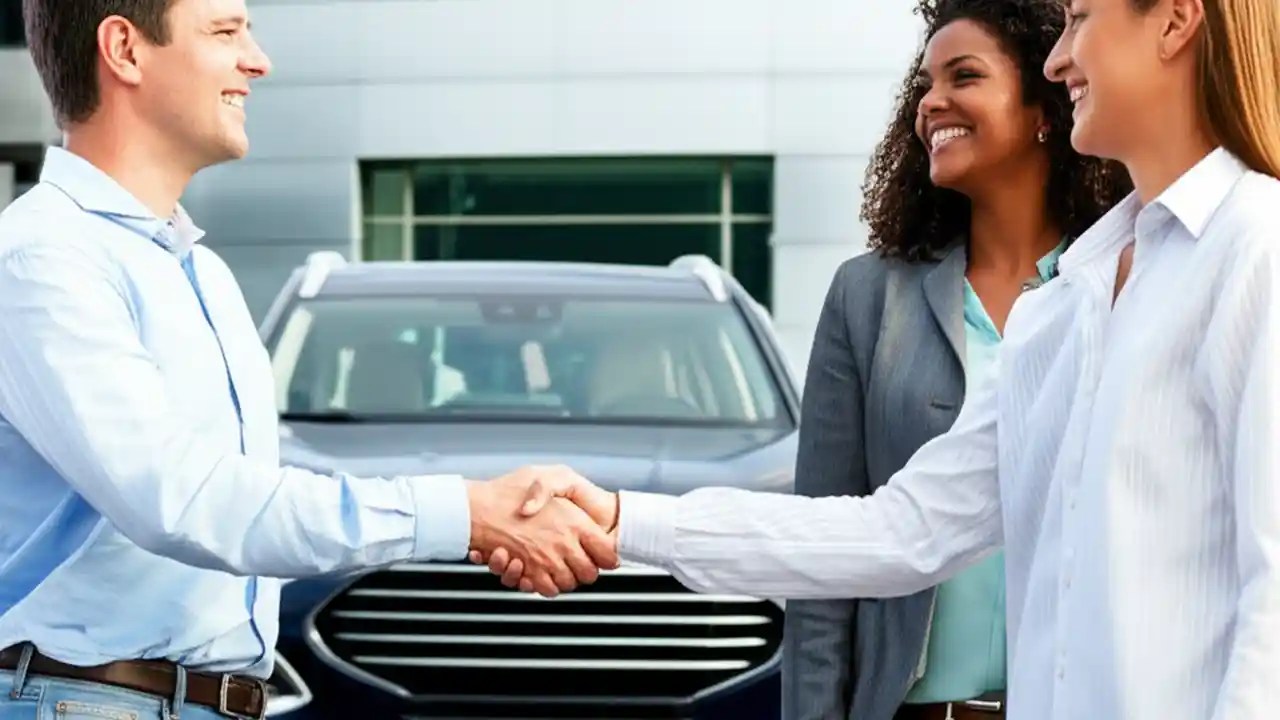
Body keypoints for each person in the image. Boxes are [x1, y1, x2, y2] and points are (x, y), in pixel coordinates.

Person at [478, 0, 1280, 717]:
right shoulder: (1069, 305)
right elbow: (900, 531)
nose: (1057, 60)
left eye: (1078, 19)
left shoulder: (1257, 253)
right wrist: (620, 518)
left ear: (1176, 20)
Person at [0, 1, 611, 718]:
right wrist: (470, 513)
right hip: (86, 703)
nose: (258, 60)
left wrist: (476, 511)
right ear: (125, 50)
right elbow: (184, 500)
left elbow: (260, 495)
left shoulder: (199, 273)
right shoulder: (45, 260)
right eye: (226, 31)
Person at [781, 1, 1128, 718]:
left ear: (1044, 108)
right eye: (925, 87)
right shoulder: (867, 297)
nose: (931, 103)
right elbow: (821, 562)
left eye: (963, 77)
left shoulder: (1120, 281)